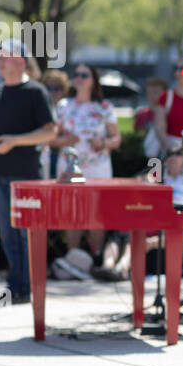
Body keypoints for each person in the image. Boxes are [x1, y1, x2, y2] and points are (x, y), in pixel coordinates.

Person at [0, 39, 57, 304]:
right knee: (8, 232)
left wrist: (14, 140)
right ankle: (16, 286)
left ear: (22, 61)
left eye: (7, 57)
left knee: (27, 233)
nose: (1, 62)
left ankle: (30, 287)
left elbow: (50, 130)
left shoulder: (36, 92)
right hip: (0, 173)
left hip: (27, 175)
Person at [51, 63, 120, 277]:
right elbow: (50, 138)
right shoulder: (63, 105)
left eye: (84, 75)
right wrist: (65, 140)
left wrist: (104, 143)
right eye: (77, 75)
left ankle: (96, 259)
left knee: (95, 215)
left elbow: (116, 139)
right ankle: (73, 260)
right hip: (70, 168)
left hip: (98, 168)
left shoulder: (104, 107)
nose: (79, 78)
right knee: (72, 215)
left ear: (93, 80)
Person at [39, 70, 69, 179]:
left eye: (57, 88)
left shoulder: (68, 108)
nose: (52, 92)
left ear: (63, 90)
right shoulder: (38, 108)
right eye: (48, 88)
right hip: (45, 157)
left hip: (62, 157)